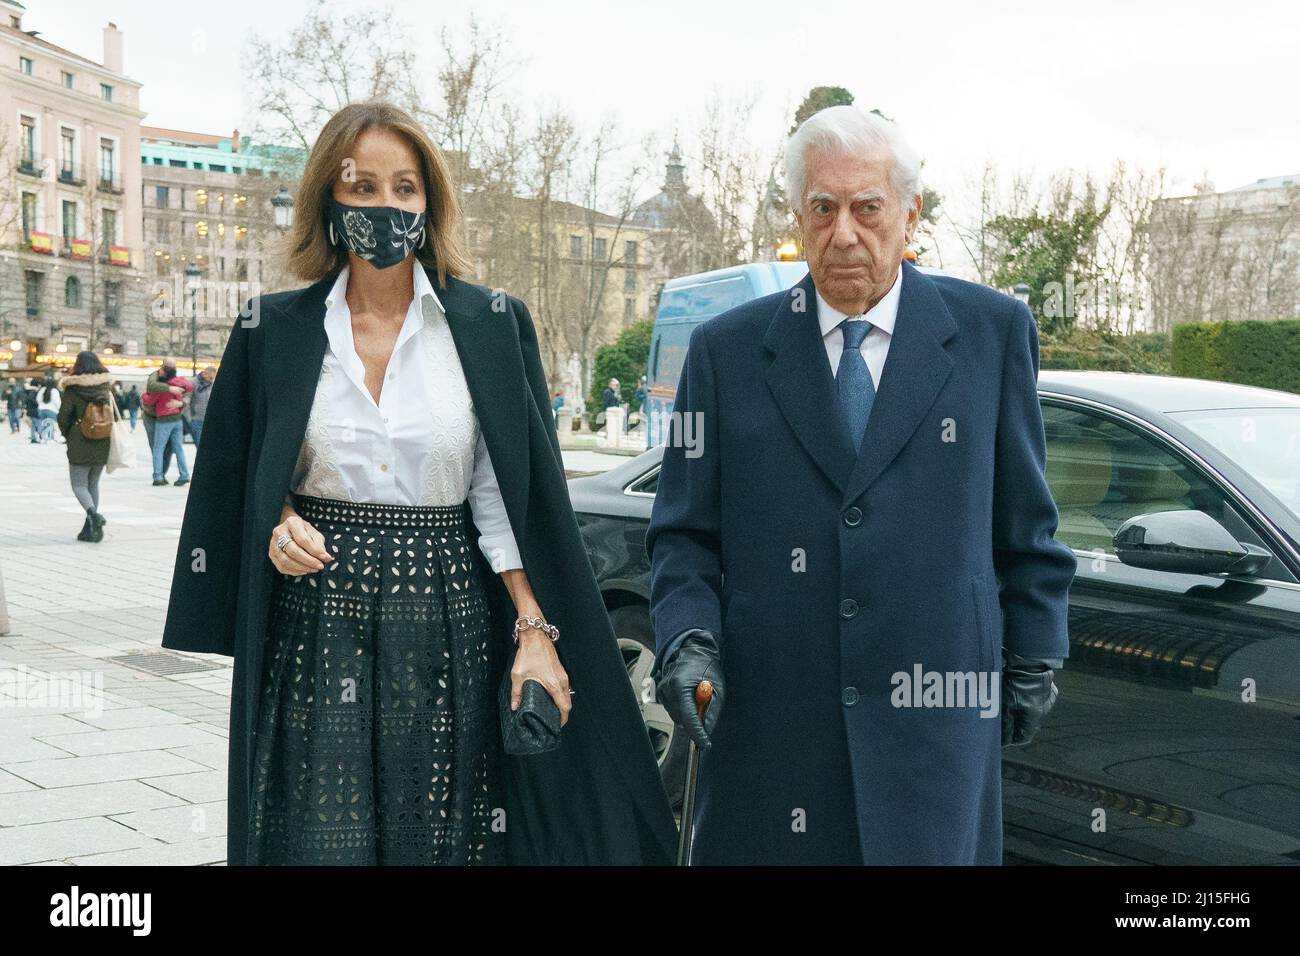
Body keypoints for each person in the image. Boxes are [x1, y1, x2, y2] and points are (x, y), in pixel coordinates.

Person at [159, 100, 675, 866]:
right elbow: (244, 471)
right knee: (314, 840)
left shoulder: (491, 325)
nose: (386, 207)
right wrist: (280, 516)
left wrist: (535, 631)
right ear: (328, 202)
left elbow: (506, 497)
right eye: (362, 187)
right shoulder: (274, 329)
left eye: (405, 188)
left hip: (446, 622)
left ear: (429, 201)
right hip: (315, 623)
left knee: (441, 841)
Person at [647, 105, 1074, 865]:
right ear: (797, 215)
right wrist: (688, 638)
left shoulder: (991, 334)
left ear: (909, 214)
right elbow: (683, 533)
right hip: (771, 738)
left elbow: (1027, 525)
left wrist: (1037, 650)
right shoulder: (725, 354)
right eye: (824, 208)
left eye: (867, 208)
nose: (845, 232)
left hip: (934, 729)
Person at [56, 351, 114, 543]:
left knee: (79, 485)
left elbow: (63, 416)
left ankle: (94, 516)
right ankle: (90, 529)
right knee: (93, 484)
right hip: (103, 439)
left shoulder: (72, 388)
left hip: (79, 440)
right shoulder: (105, 387)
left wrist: (68, 434)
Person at [142, 362, 192, 486]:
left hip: (164, 420)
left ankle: (158, 476)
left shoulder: (161, 387)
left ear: (164, 372)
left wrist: (143, 395)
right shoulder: (179, 384)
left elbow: (149, 401)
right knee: (179, 448)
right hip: (177, 420)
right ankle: (184, 474)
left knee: (158, 448)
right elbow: (190, 386)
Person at [141, 362, 180, 473]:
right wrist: (169, 388)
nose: (160, 371)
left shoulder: (175, 381)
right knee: (156, 446)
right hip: (151, 417)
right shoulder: (154, 377)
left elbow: (187, 389)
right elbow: (151, 387)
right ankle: (159, 473)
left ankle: (162, 472)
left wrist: (181, 403)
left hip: (167, 418)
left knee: (168, 447)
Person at [189, 366, 215, 447]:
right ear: (204, 374)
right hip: (196, 420)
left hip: (208, 420)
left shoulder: (211, 385)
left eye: (213, 378)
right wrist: (190, 418)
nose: (211, 380)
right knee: (200, 447)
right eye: (210, 378)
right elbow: (187, 400)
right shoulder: (193, 383)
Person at [35, 375, 61, 443]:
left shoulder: (42, 390)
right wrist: (59, 409)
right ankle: (50, 439)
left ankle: (42, 439)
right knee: (50, 424)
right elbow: (57, 401)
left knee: (42, 424)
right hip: (51, 410)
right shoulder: (54, 391)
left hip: (41, 409)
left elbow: (38, 399)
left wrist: (41, 405)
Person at [24, 378, 40, 443]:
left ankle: (33, 437)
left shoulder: (28, 391)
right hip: (34, 410)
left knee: (33, 424)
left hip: (30, 409)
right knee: (37, 424)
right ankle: (41, 436)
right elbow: (32, 400)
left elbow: (26, 400)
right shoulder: (34, 391)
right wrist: (38, 403)